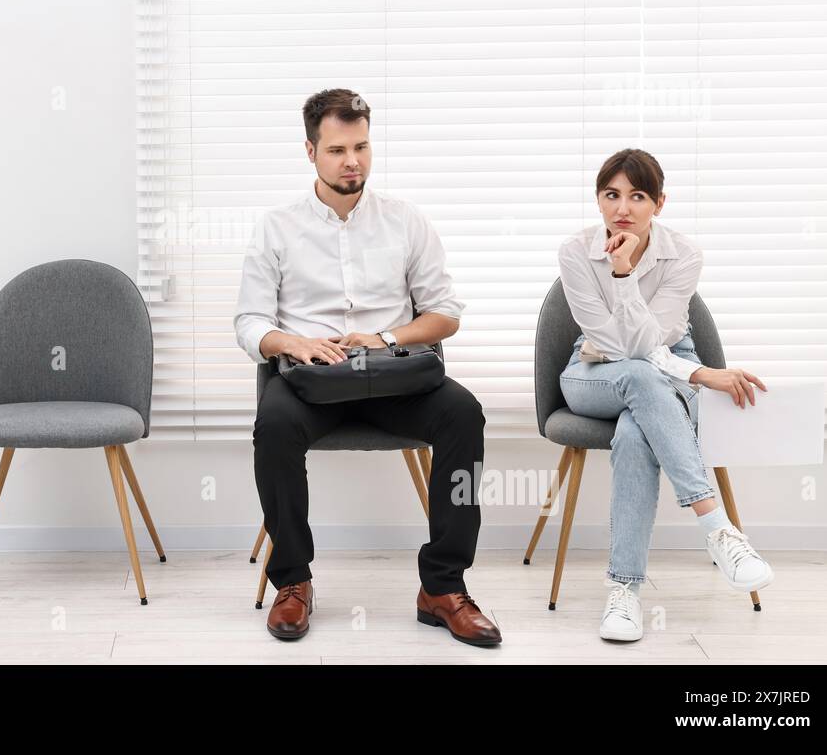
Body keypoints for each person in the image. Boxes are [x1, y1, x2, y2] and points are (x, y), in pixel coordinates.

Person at [233, 88, 501, 646]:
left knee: (463, 414)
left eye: (361, 146)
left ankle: (443, 587)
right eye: (336, 150)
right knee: (274, 425)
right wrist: (295, 342)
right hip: (313, 384)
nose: (352, 160)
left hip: (397, 379)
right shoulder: (277, 227)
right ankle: (293, 581)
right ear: (310, 151)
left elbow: (445, 314)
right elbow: (249, 322)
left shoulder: (405, 221)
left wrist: (384, 337)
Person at [557, 148, 775, 643]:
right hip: (591, 372)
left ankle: (623, 591)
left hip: (662, 371)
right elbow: (621, 348)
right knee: (638, 377)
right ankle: (717, 528)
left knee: (637, 430)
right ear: (598, 200)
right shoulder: (575, 252)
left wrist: (626, 277)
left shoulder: (684, 253)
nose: (623, 209)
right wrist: (699, 375)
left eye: (637, 196)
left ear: (659, 202)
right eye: (611, 195)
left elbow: (648, 346)